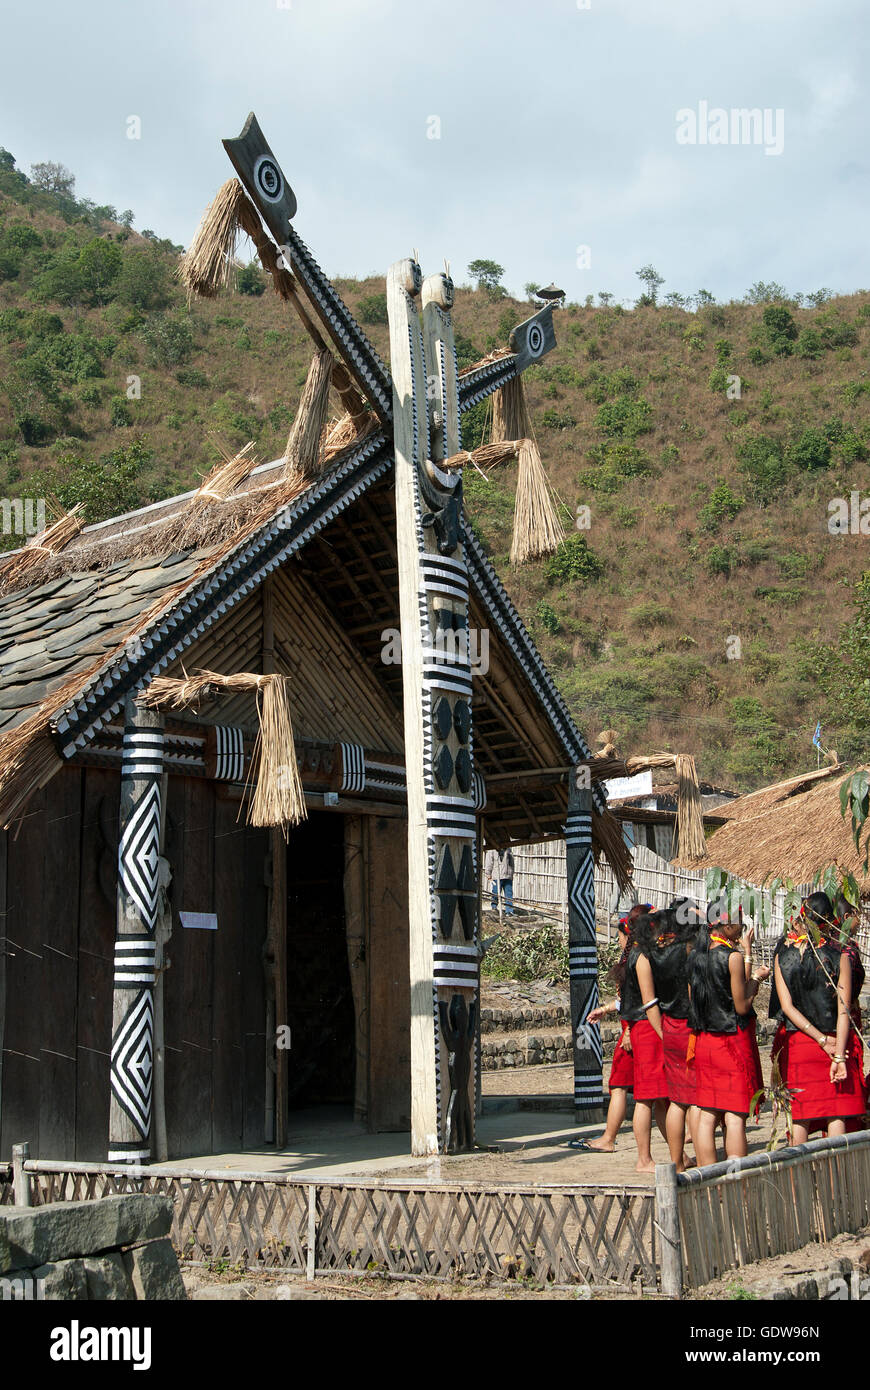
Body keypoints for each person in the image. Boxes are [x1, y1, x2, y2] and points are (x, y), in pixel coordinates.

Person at [771, 890, 865, 1143]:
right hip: (836, 1040)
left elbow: (787, 1008)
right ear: (830, 920)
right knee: (836, 1114)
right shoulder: (840, 955)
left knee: (800, 1116)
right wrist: (837, 1052)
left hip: (800, 1043)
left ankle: (795, 1182)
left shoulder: (783, 955)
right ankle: (835, 1181)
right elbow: (844, 1009)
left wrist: (819, 1039)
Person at [688, 900, 770, 1166]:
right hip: (729, 1042)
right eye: (739, 922)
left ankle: (706, 1177)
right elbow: (742, 1005)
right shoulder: (731, 958)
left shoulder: (695, 956)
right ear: (727, 924)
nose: (742, 927)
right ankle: (736, 1182)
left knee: (708, 1113)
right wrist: (756, 979)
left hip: (704, 1041)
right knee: (735, 1114)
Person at [573, 903, 653, 1152]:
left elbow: (641, 1000)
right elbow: (628, 998)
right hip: (637, 1027)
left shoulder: (639, 958)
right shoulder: (641, 956)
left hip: (637, 1029)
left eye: (619, 935)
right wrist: (606, 1009)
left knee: (636, 1092)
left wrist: (629, 1028)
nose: (618, 940)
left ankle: (614, 1141)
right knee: (633, 1089)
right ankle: (610, 1137)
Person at [649, 898, 703, 1171]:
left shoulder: (656, 957)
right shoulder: (688, 953)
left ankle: (675, 1161)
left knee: (676, 1100)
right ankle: (704, 1160)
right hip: (688, 1026)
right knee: (695, 1099)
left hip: (668, 1024)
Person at [483, 846, 514, 916]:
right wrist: (488, 873)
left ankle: (509, 911)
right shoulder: (492, 850)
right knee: (495, 893)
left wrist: (511, 874)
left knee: (509, 894)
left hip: (507, 876)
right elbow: (489, 862)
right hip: (497, 875)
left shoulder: (508, 849)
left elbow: (512, 862)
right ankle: (494, 908)